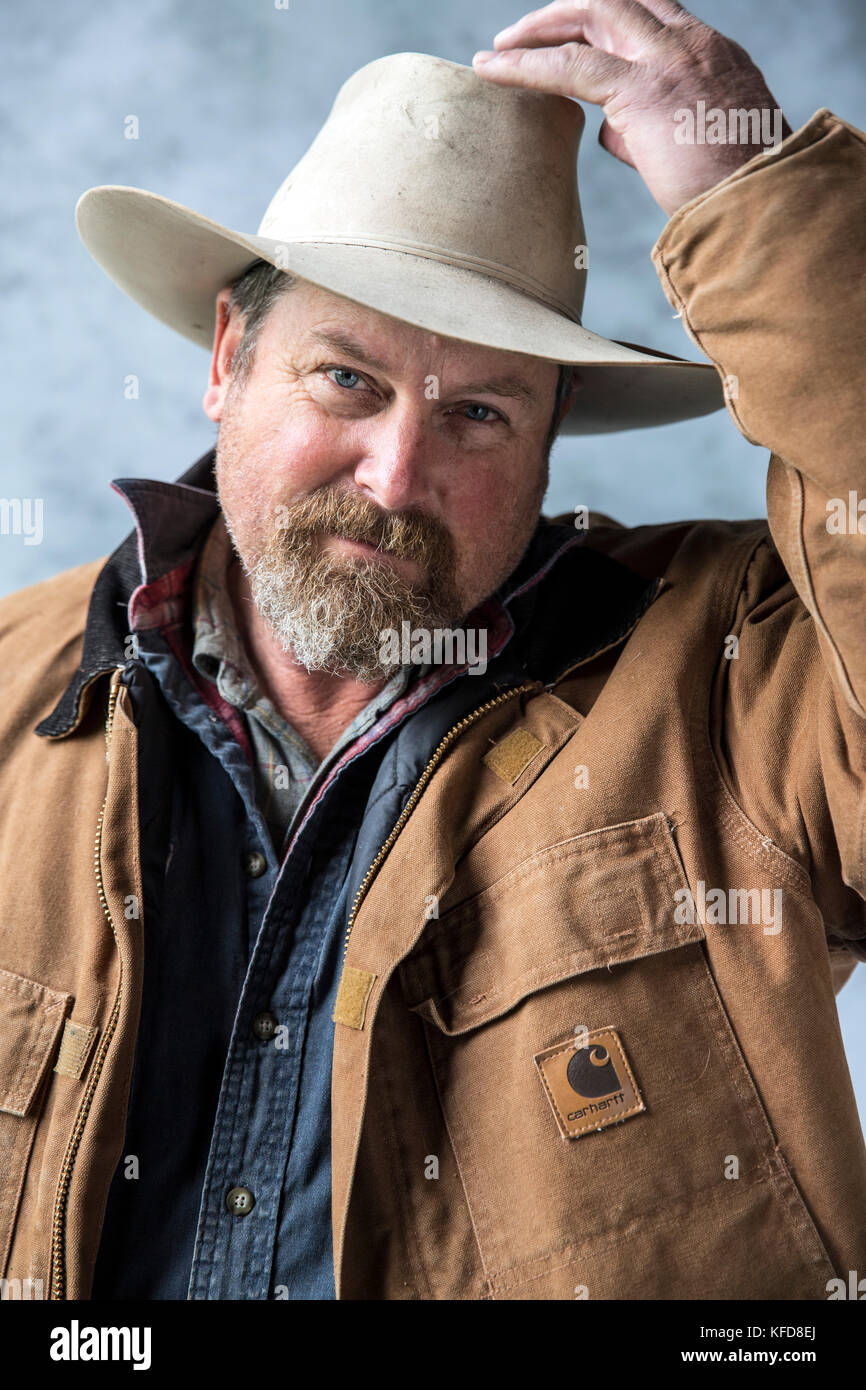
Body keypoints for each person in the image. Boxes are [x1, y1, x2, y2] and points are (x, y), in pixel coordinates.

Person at [1, 0, 864, 1301]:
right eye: (344, 379)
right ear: (229, 357)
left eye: (475, 410)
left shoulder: (736, 681)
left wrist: (764, 209)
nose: (397, 474)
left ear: (551, 433)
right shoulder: (12, 688)